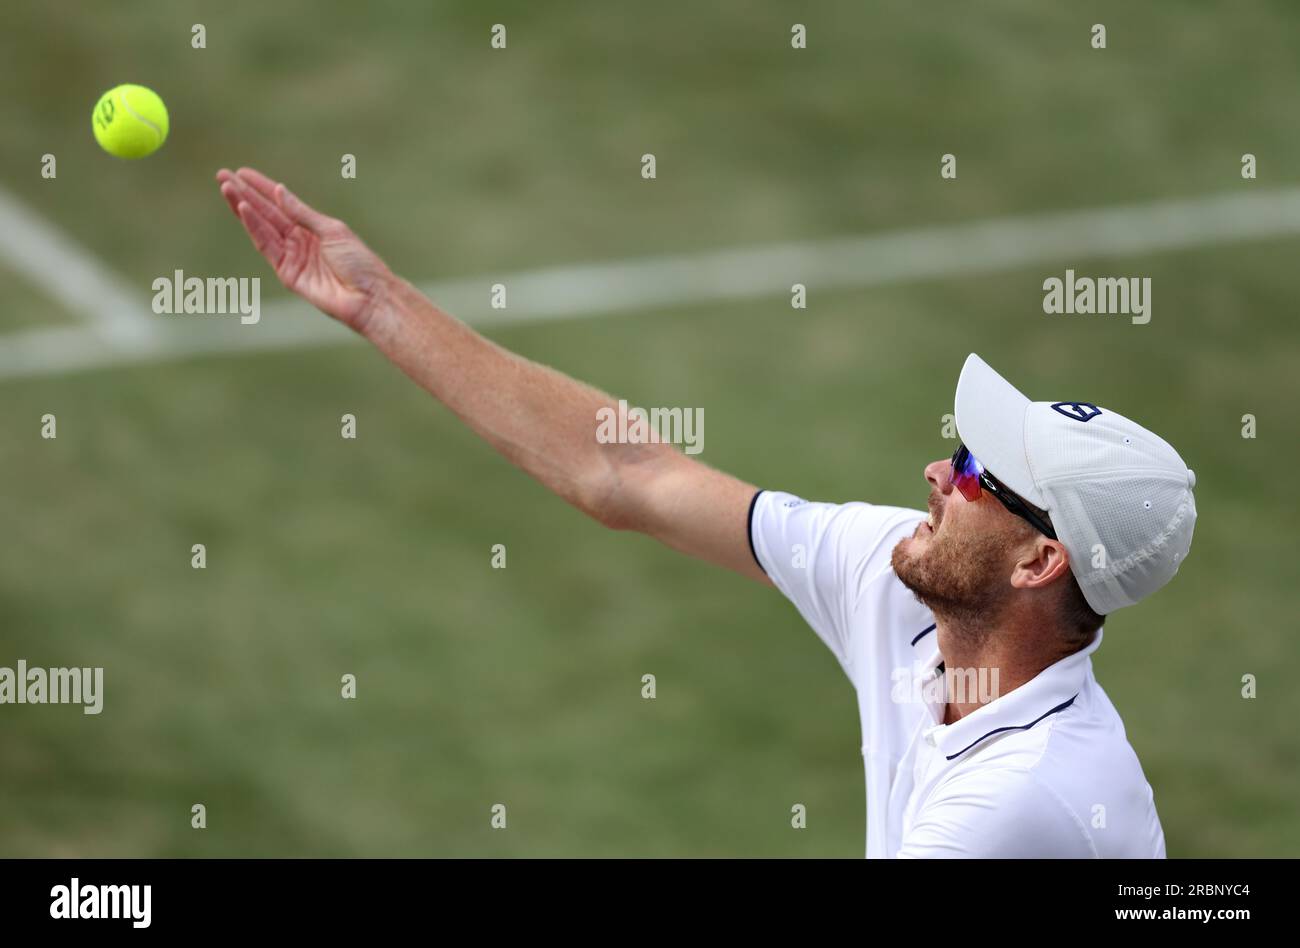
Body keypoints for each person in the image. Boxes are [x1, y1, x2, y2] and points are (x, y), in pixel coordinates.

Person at [216, 167, 1197, 857]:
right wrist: (381, 305)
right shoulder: (898, 590)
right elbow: (630, 476)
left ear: (1038, 563)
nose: (938, 471)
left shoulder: (1024, 801)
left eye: (979, 470)